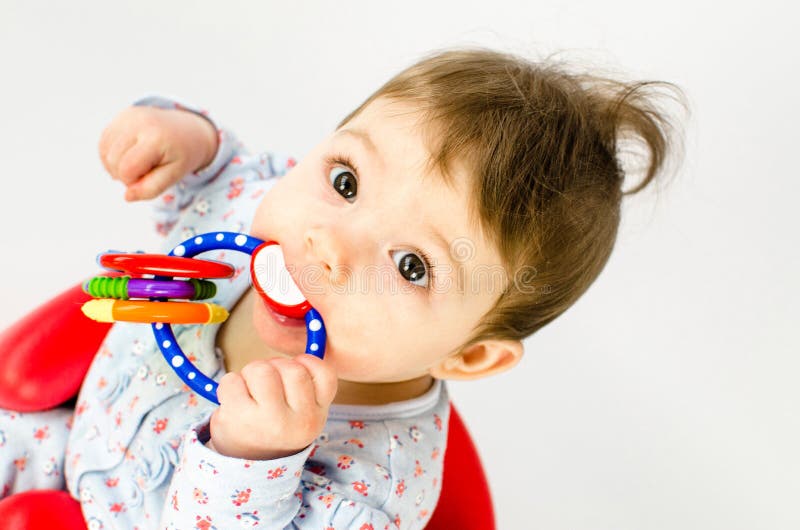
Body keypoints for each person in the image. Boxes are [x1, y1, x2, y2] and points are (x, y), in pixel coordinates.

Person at [0, 46, 684, 529]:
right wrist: (182, 137)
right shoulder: (264, 213)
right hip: (66, 439)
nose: (328, 244)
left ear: (467, 355)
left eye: (411, 265)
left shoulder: (379, 487)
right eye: (346, 181)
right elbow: (224, 173)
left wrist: (252, 462)